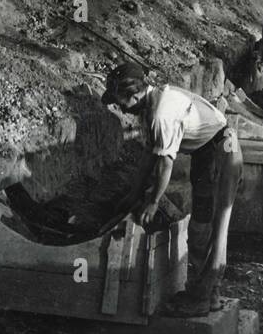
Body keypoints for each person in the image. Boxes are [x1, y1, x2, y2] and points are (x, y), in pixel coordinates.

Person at [102, 63, 242, 318]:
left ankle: (202, 299)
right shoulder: (154, 101)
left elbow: (165, 163)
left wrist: (153, 201)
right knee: (203, 224)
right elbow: (149, 155)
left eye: (120, 101)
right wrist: (134, 194)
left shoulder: (160, 114)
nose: (119, 107)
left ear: (134, 95)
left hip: (221, 150)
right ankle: (209, 296)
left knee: (212, 227)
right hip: (208, 149)